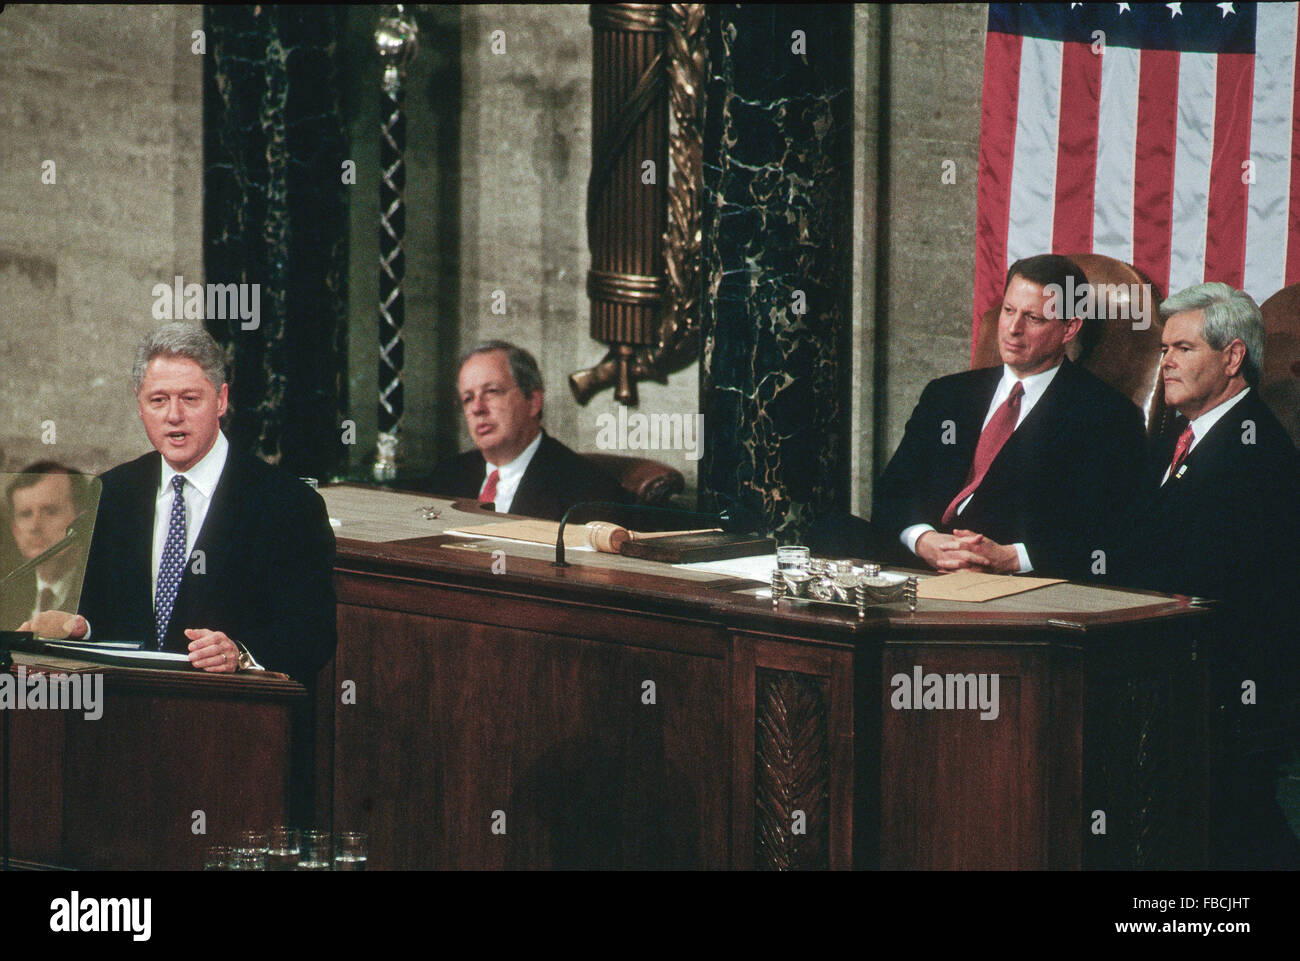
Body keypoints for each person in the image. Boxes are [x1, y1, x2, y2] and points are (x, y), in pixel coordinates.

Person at [21, 323, 336, 679]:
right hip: (123, 714)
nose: (174, 416)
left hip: (230, 716)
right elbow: (107, 615)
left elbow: (313, 637)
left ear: (221, 400)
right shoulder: (112, 492)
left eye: (190, 398)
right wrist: (82, 627)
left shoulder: (287, 504)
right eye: (158, 400)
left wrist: (241, 654)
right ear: (140, 405)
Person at [1111, 283, 1300, 868]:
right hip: (1180, 673)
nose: (1165, 361)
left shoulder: (1255, 450)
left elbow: (1222, 584)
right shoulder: (1182, 436)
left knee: (1235, 840)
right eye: (1165, 348)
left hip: (1222, 690)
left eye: (1183, 348)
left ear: (1233, 357)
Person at [846, 254, 1146, 580]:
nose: (1013, 329)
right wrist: (924, 540)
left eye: (1033, 318)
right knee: (829, 529)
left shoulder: (1107, 415)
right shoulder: (947, 394)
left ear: (1069, 327)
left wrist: (1011, 558)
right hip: (923, 561)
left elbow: (1109, 532)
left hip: (1010, 579)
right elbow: (893, 492)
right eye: (1008, 311)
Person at [424, 340, 630, 521]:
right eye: (468, 398)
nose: (477, 408)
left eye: (492, 392)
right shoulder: (446, 476)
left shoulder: (588, 490)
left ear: (533, 400)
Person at [1, 464, 93, 630]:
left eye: (50, 511)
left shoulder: (100, 590)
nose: (35, 526)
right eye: (25, 514)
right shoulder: (7, 594)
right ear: (15, 530)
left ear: (83, 522)